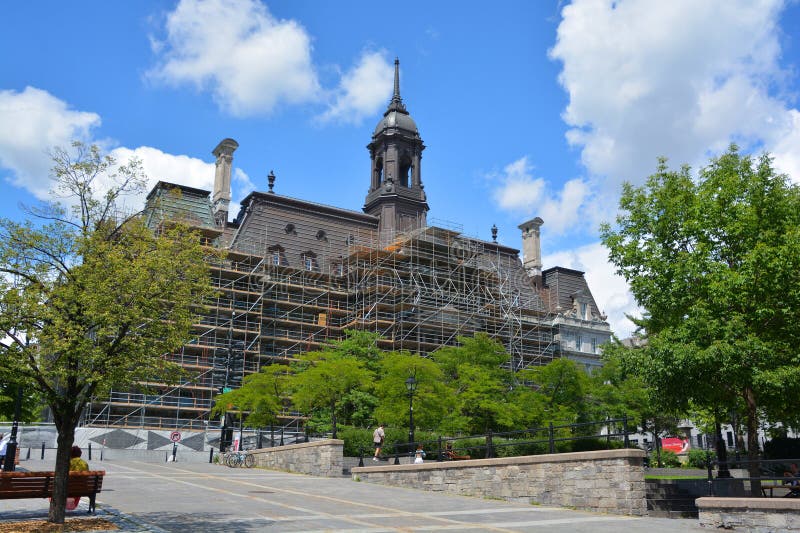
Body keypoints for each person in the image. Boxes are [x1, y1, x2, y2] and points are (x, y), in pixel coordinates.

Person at [67, 445, 89, 510]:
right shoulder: (84, 463)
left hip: (69, 487)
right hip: (81, 487)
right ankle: (72, 504)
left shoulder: (68, 463)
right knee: (77, 487)